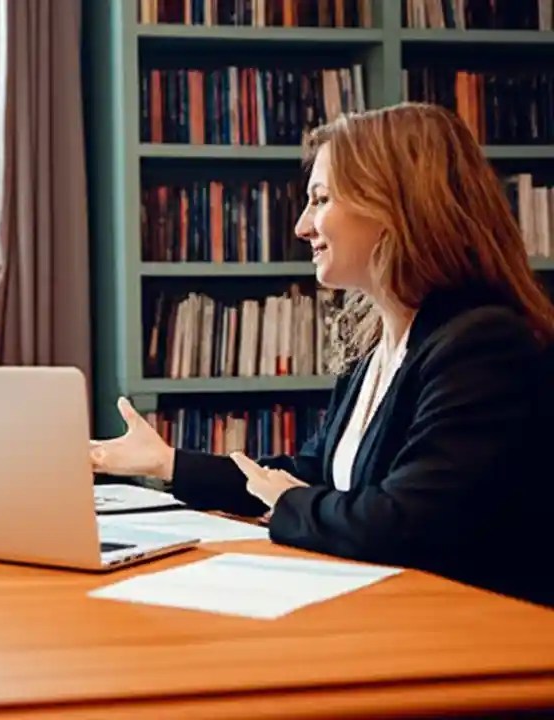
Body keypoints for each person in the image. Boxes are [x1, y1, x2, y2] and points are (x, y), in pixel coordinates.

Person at [91, 102, 554, 606]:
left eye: (320, 199)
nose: (301, 227)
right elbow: (314, 473)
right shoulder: (377, 342)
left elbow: (403, 523)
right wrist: (168, 463)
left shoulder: (483, 345)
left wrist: (288, 503)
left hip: (476, 637)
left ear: (392, 206)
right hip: (391, 612)